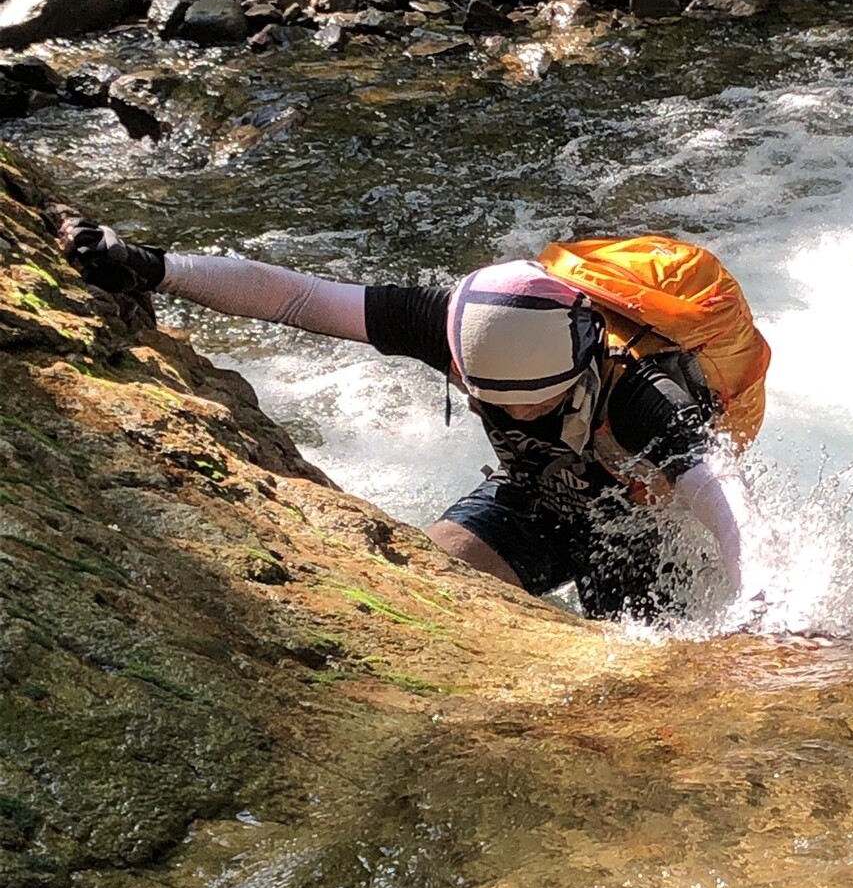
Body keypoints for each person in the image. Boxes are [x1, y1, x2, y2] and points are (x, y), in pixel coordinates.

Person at [60, 217, 762, 622]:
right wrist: (152, 267)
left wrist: (772, 610)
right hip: (535, 499)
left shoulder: (645, 396)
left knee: (631, 701)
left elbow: (733, 511)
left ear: (580, 364)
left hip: (642, 535)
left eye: (535, 403)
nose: (515, 413)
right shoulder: (459, 323)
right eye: (494, 398)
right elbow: (298, 298)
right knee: (423, 590)